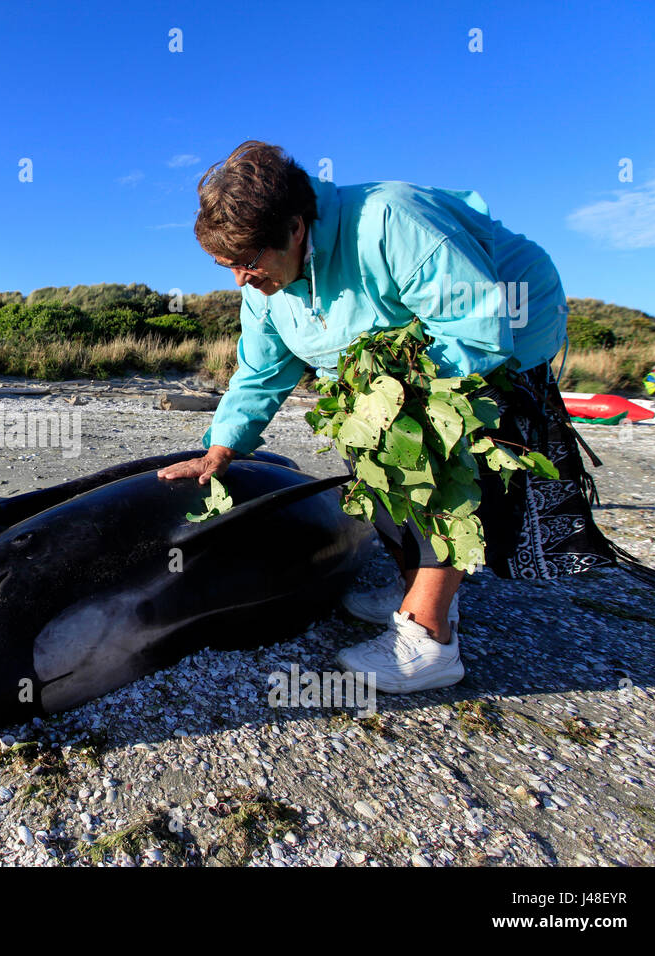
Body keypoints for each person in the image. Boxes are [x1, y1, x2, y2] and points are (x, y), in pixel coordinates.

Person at [158, 141, 622, 693]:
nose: (239, 279)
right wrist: (221, 448)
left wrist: (394, 402)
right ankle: (418, 591)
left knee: (426, 446)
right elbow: (261, 374)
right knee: (368, 448)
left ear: (296, 227)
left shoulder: (390, 222)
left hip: (503, 321)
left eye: (249, 262)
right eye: (226, 266)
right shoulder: (265, 286)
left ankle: (430, 640)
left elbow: (476, 325)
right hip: (395, 349)